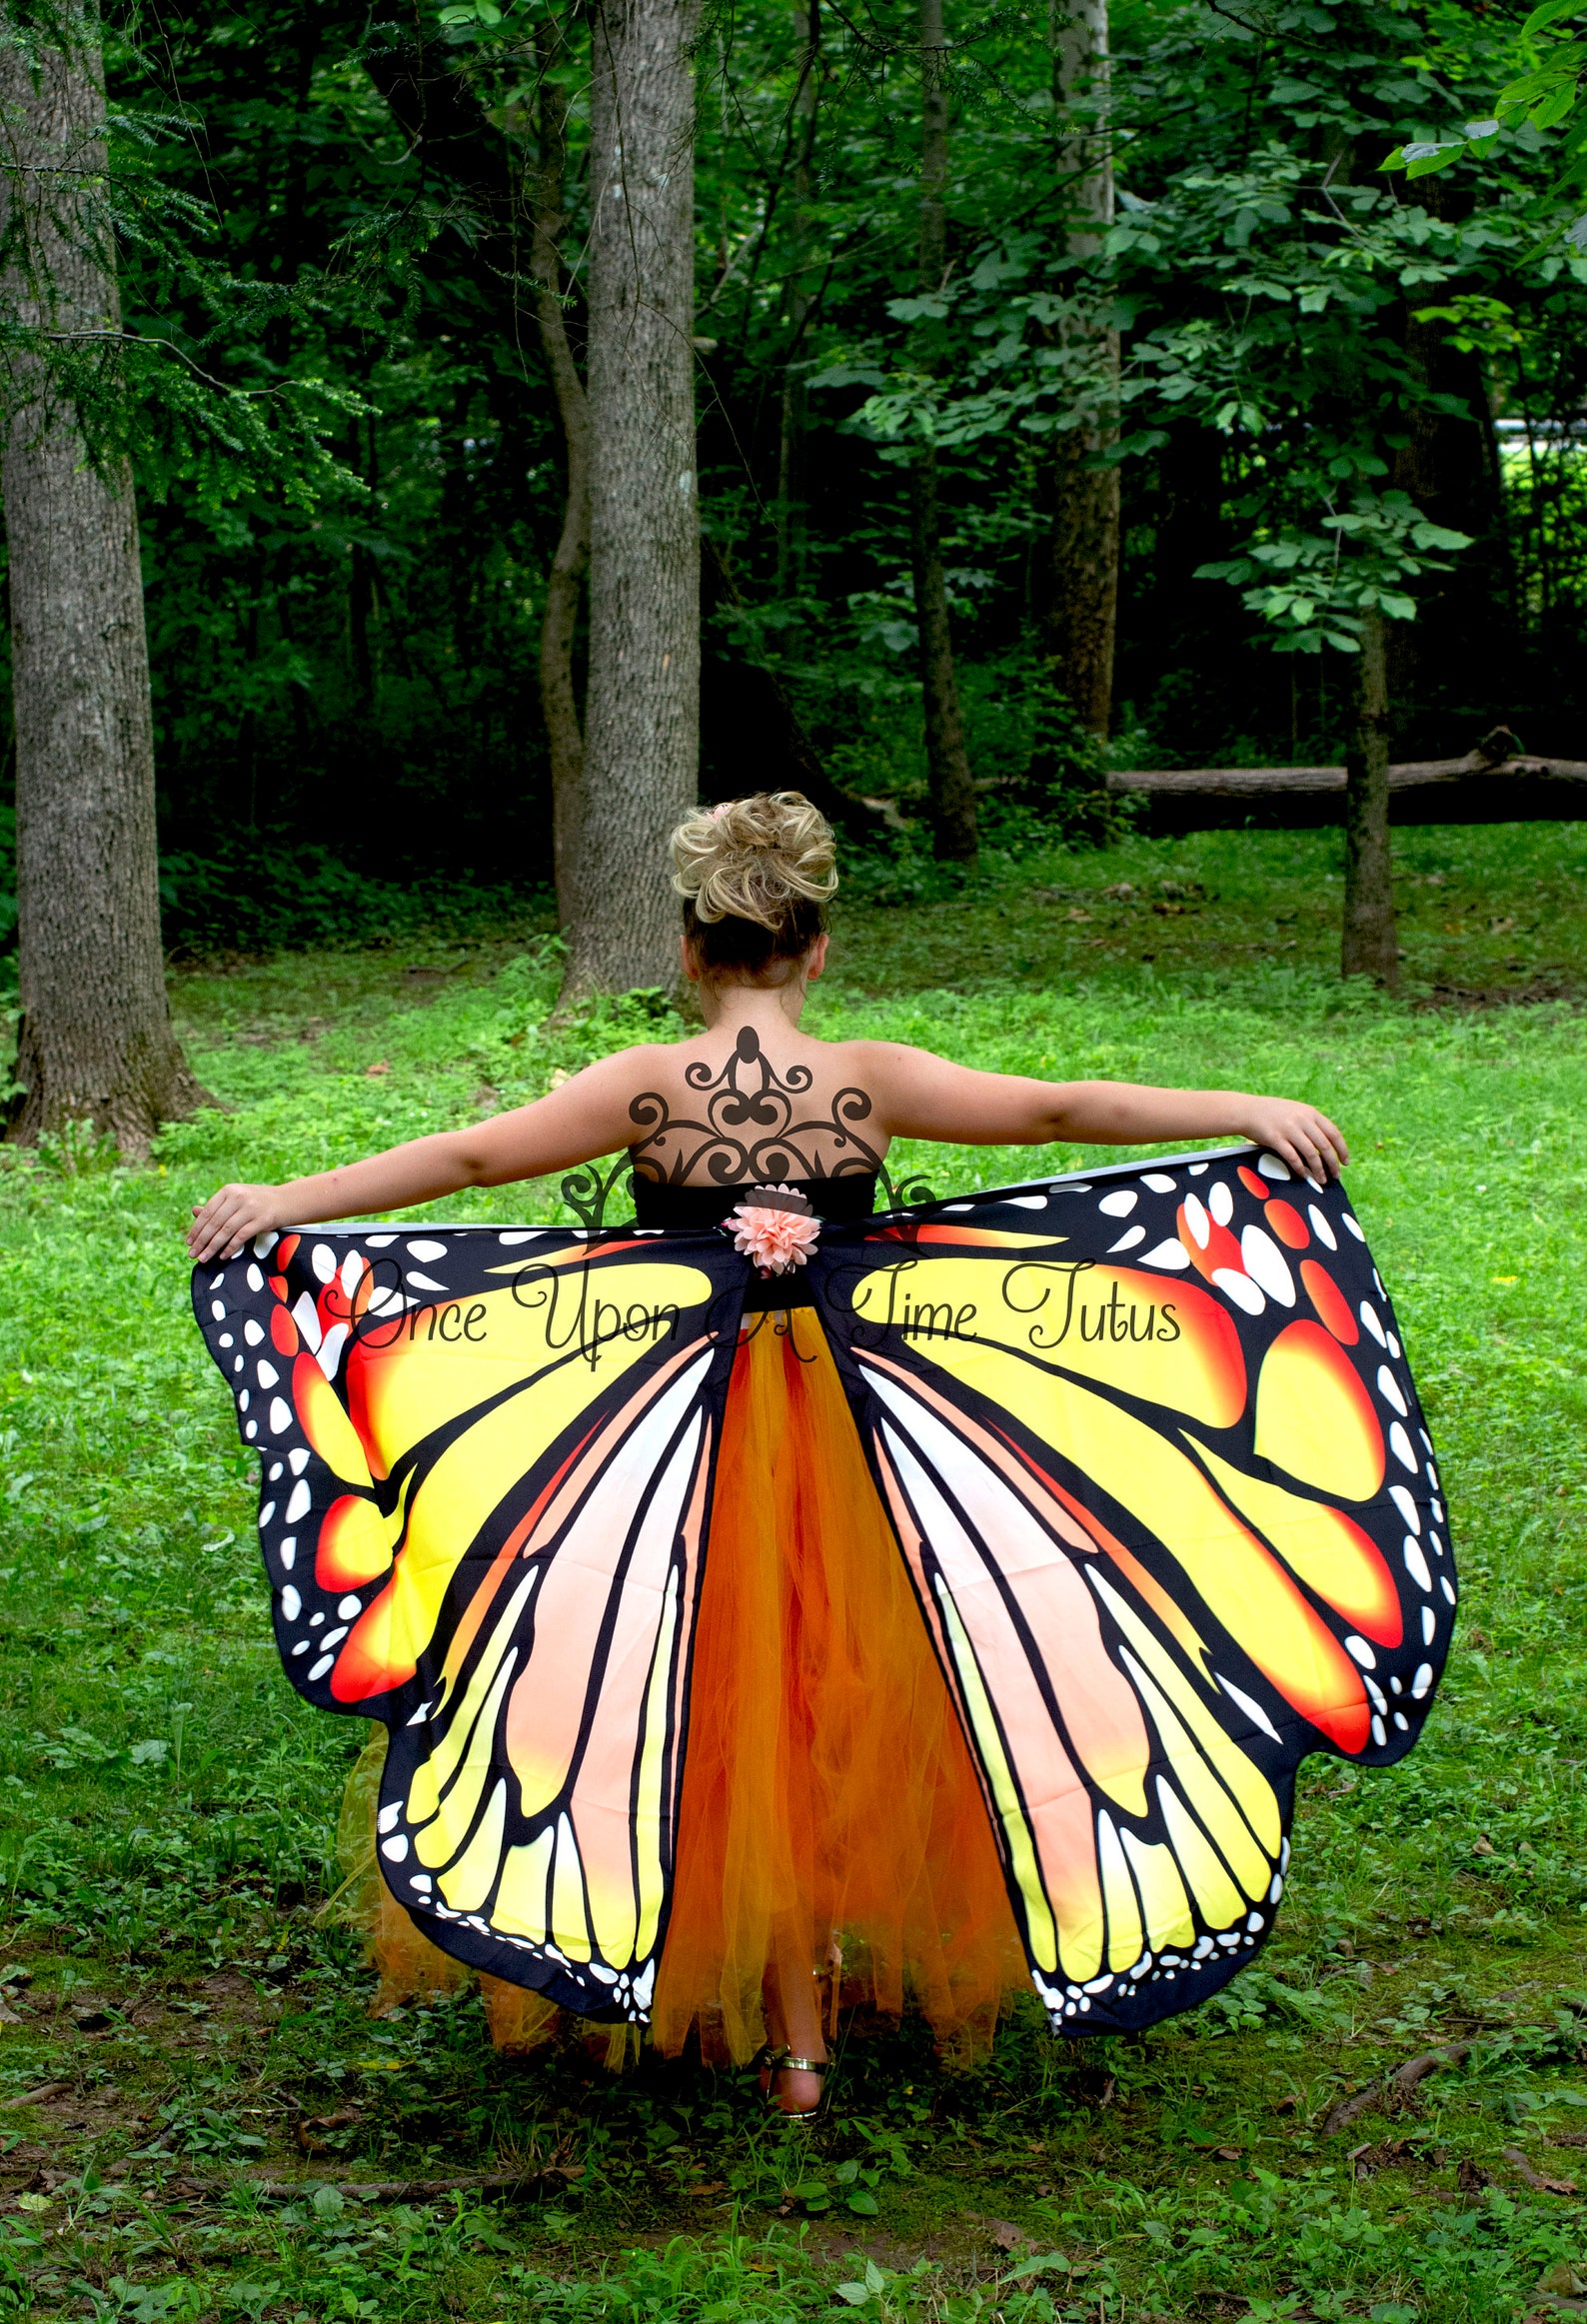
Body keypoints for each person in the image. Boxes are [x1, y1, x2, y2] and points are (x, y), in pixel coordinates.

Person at [189, 793, 1347, 2117]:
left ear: (688, 950)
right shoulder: (868, 1076)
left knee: (686, 1688)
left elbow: (463, 1155)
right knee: (848, 1694)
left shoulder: (643, 1082)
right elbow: (1058, 1112)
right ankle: (818, 2007)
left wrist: (288, 1200)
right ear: (815, 949)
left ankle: (748, 1995)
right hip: (859, 1440)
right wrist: (1243, 1102)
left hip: (675, 1442)